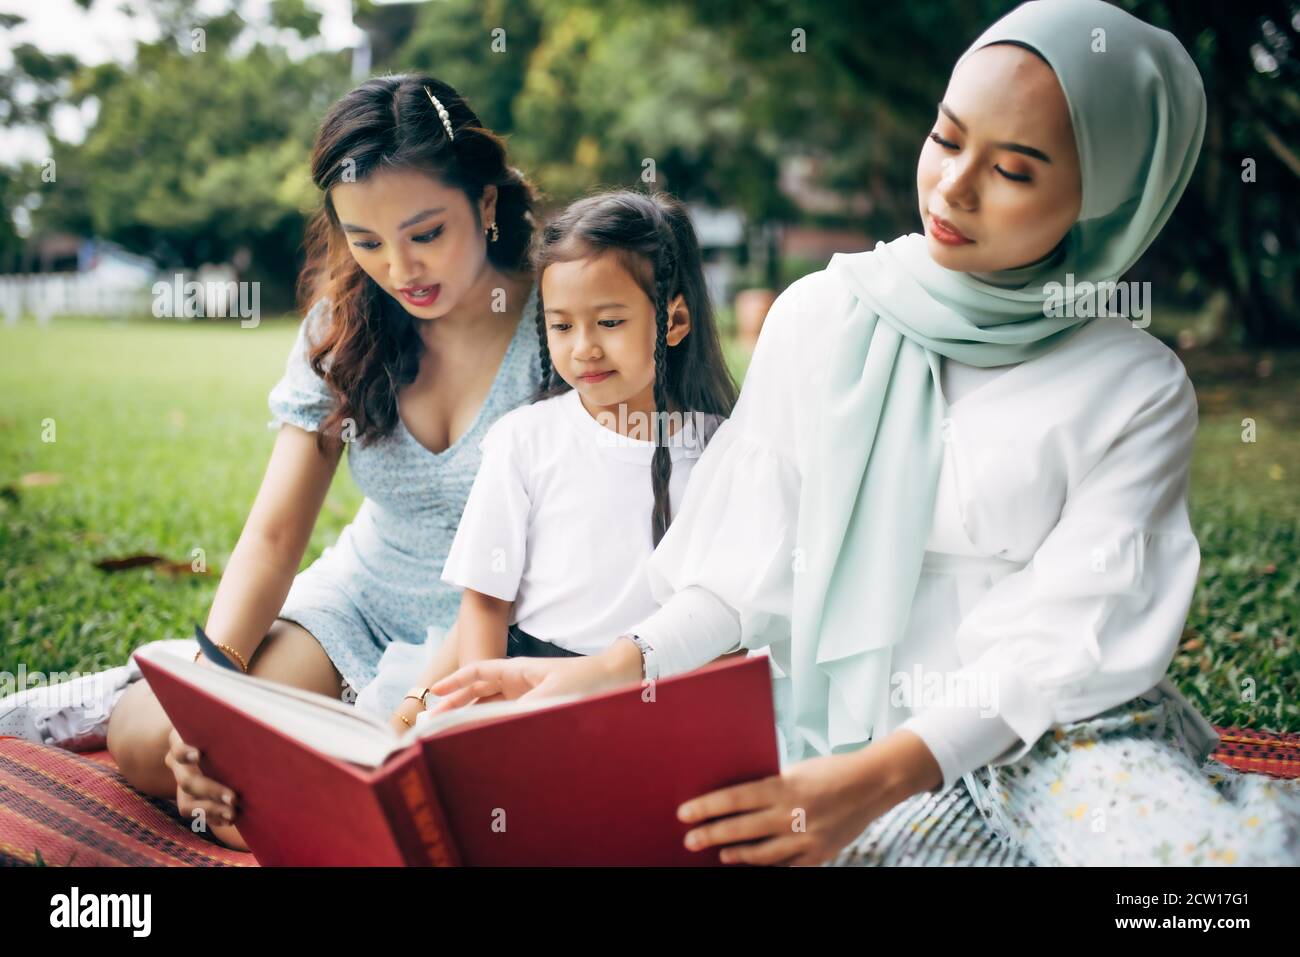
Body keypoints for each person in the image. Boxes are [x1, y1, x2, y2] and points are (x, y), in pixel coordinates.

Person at [429, 0, 1300, 866]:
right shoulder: (823, 315)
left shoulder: (1134, 387)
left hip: (1059, 738)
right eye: (948, 138)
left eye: (1017, 171)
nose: (955, 186)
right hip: (832, 728)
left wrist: (877, 780)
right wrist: (606, 673)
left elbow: (1056, 648)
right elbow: (740, 573)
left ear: (1105, 194)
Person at [105, 74, 542, 851]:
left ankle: (313, 802)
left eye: (425, 232)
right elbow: (275, 535)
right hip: (363, 605)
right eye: (366, 241)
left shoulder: (561, 323)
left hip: (499, 633)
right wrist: (212, 693)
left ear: (485, 202)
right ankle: (317, 803)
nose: (400, 268)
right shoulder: (343, 330)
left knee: (463, 784)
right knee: (148, 733)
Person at [355, 190, 737, 730]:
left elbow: (727, 620)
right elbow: (487, 602)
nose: (583, 348)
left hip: (656, 698)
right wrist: (490, 715)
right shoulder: (524, 440)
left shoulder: (723, 453)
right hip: (524, 687)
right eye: (561, 326)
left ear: (673, 321)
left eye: (609, 323)